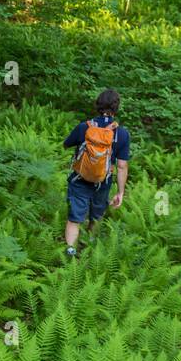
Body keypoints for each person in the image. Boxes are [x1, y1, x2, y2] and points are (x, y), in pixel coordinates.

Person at [63, 89, 130, 257]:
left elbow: (66, 144)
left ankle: (70, 252)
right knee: (96, 215)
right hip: (103, 181)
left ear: (97, 105)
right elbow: (122, 165)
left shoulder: (84, 127)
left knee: (74, 218)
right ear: (117, 108)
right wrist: (121, 192)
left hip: (79, 179)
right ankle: (88, 247)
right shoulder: (122, 134)